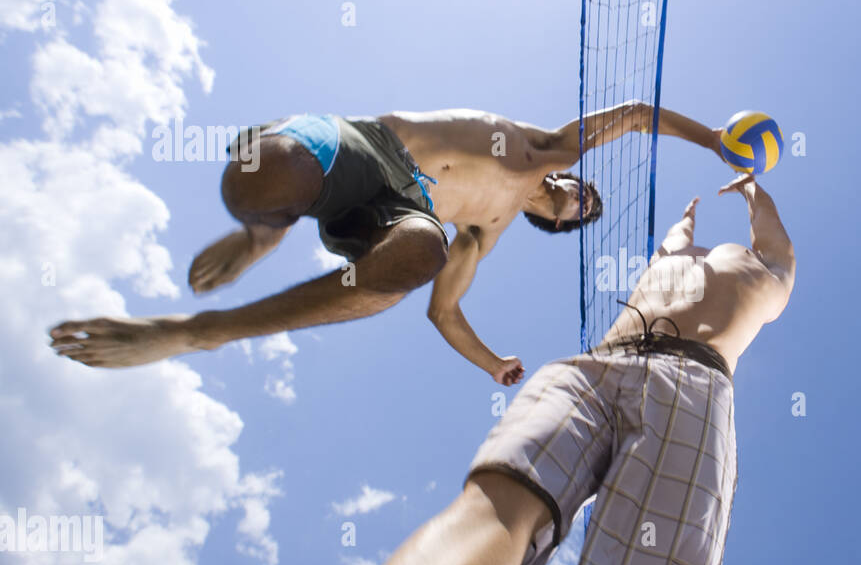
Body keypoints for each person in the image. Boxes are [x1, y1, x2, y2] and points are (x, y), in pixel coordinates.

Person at [181, 173, 794, 565]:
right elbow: (674, 242)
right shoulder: (675, 256)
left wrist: (752, 191)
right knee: (489, 516)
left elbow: (774, 240)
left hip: (695, 381)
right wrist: (685, 220)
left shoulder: (768, 273)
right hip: (597, 365)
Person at [48, 103, 723, 383]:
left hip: (398, 212)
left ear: (561, 225)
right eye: (585, 191)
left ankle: (201, 331)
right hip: (373, 147)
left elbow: (444, 311)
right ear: (571, 177)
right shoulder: (545, 146)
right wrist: (716, 142)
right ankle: (261, 234)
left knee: (421, 254)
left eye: (583, 212)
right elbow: (637, 116)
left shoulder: (484, 232)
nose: (581, 199)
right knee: (258, 175)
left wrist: (493, 365)